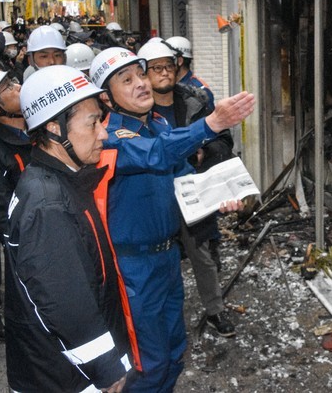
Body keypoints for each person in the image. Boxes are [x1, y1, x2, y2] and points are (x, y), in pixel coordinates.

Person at [89, 47, 255, 391]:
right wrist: (211, 124)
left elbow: (182, 178)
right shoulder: (109, 136)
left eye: (141, 74)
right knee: (146, 364)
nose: (142, 84)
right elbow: (156, 154)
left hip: (167, 259)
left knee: (174, 352)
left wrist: (217, 198)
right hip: (133, 267)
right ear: (107, 97)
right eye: (127, 80)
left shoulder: (159, 125)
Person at [5, 65, 132, 392]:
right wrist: (106, 367)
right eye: (92, 123)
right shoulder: (48, 205)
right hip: (65, 379)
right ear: (53, 129)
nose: (103, 133)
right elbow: (65, 303)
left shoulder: (67, 181)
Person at [139, 40, 235, 337]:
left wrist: (208, 152)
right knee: (159, 262)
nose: (165, 73)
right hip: (155, 197)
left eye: (169, 65)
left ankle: (216, 310)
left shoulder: (195, 100)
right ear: (145, 73)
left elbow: (224, 139)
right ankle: (162, 322)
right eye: (156, 68)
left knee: (202, 255)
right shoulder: (138, 110)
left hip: (194, 191)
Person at [0, 69, 30, 339]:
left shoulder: (37, 130)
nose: (17, 87)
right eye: (8, 88)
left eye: (12, 82)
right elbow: (0, 216)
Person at [165, 35, 215, 108]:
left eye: (168, 62)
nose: (164, 66)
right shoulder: (170, 85)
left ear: (179, 61)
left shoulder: (199, 91)